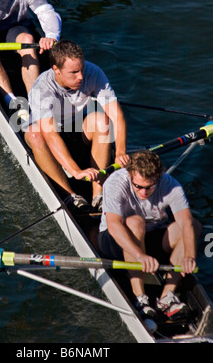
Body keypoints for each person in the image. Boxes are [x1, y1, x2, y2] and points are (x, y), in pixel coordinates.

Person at [23, 39, 129, 211]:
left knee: (102, 120)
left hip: (77, 127)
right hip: (48, 134)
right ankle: (70, 196)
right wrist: (76, 171)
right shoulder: (42, 88)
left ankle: (98, 195)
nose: (81, 76)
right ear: (56, 70)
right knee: (35, 134)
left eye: (82, 69)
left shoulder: (93, 72)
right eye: (74, 72)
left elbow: (117, 114)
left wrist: (120, 152)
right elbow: (50, 136)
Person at [98, 150, 201, 320]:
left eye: (149, 187)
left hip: (150, 238)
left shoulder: (170, 185)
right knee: (135, 222)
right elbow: (114, 225)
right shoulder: (115, 182)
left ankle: (167, 297)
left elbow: (186, 222)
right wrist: (140, 255)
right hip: (114, 241)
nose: (143, 192)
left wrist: (190, 255)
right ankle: (141, 298)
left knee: (194, 225)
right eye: (138, 186)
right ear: (130, 175)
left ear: (159, 177)